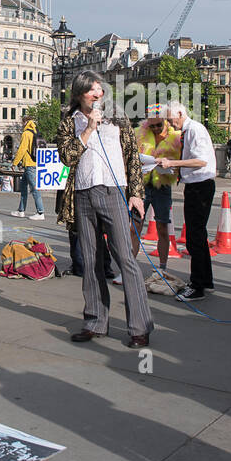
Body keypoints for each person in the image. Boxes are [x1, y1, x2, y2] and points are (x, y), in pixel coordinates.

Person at [57, 71, 152, 346]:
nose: (97, 94)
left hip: (114, 190)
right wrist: (87, 129)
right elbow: (67, 157)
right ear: (79, 94)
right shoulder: (69, 121)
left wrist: (136, 193)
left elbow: (133, 156)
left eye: (99, 89)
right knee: (91, 259)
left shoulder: (118, 118)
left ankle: (140, 326)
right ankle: (96, 321)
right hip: (83, 192)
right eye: (91, 90)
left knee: (125, 258)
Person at [158, 100, 218, 302]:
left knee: (195, 236)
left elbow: (201, 161)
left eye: (170, 119)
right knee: (197, 235)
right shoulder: (190, 130)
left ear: (180, 114)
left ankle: (197, 285)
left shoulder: (195, 130)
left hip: (200, 187)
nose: (169, 124)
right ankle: (205, 280)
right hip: (196, 185)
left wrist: (173, 163)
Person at [138, 104, 183, 294]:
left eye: (159, 125)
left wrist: (173, 168)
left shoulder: (177, 138)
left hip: (162, 185)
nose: (155, 129)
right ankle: (128, 269)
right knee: (135, 226)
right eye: (152, 125)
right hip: (142, 184)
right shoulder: (139, 133)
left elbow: (183, 162)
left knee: (163, 226)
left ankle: (162, 268)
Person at [11, 116, 45, 220]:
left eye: (22, 123)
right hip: (32, 163)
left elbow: (22, 149)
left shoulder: (26, 133)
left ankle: (40, 212)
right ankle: (21, 211)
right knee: (23, 188)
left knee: (34, 189)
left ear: (25, 122)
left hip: (29, 165)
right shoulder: (36, 132)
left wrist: (15, 163)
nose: (21, 125)